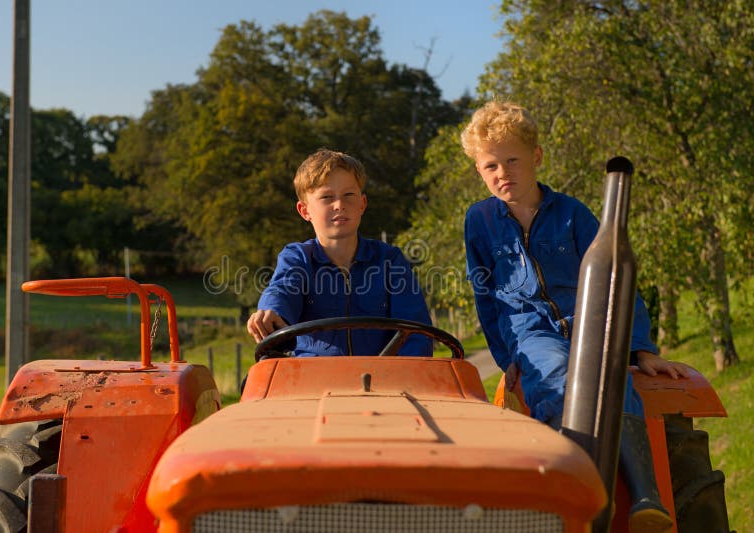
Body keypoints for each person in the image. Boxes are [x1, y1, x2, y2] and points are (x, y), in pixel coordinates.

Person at [461, 100, 690, 532]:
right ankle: (576, 495)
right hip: (531, 333)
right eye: (491, 165)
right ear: (479, 170)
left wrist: (640, 349)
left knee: (612, 378)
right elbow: (485, 295)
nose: (502, 173)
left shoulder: (572, 213)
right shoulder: (480, 221)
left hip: (588, 323)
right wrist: (505, 356)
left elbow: (618, 280)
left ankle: (647, 497)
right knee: (557, 377)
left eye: (513, 160)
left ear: (537, 158)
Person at [247, 148, 433, 356]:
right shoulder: (298, 259)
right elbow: (282, 289)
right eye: (327, 197)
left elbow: (415, 332)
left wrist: (400, 376)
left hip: (381, 381)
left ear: (362, 204)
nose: (339, 205)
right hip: (313, 382)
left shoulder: (389, 261)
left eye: (348, 195)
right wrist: (272, 310)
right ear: (304, 210)